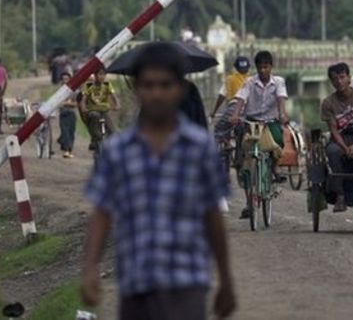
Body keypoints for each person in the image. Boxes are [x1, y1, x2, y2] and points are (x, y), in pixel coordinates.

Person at [81, 42, 235, 320]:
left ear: (179, 88)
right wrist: (90, 268)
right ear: (137, 88)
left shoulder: (199, 149)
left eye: (165, 85)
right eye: (149, 85)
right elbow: (102, 213)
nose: (157, 93)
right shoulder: (118, 152)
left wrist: (226, 278)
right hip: (136, 283)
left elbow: (213, 218)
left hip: (187, 282)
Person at [230, 50, 289, 218]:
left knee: (278, 140)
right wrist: (235, 115)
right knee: (245, 161)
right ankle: (249, 203)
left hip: (270, 122)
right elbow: (240, 99)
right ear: (256, 68)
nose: (263, 70)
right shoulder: (249, 82)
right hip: (251, 122)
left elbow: (281, 100)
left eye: (266, 67)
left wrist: (282, 114)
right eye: (260, 67)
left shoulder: (278, 82)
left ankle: (274, 168)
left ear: (271, 67)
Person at [321, 63, 353, 214]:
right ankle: (340, 196)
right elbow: (333, 129)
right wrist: (345, 147)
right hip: (339, 138)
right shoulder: (328, 103)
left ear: (349, 78)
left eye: (342, 77)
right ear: (331, 82)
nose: (339, 81)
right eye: (335, 79)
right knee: (333, 152)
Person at [80, 68, 119, 151]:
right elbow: (83, 100)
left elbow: (114, 96)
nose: (102, 77)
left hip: (104, 110)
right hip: (92, 110)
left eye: (103, 75)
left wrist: (117, 104)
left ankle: (111, 148)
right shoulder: (89, 85)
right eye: (100, 74)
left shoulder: (107, 84)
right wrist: (83, 108)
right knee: (94, 116)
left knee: (112, 131)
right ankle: (95, 140)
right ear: (95, 75)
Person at [57, 72, 78, 158]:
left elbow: (76, 103)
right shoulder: (59, 92)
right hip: (63, 114)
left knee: (71, 133)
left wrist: (66, 103)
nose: (65, 81)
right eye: (63, 79)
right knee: (65, 132)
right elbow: (58, 103)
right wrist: (67, 103)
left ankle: (70, 150)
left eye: (67, 79)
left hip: (72, 114)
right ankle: (66, 150)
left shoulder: (74, 91)